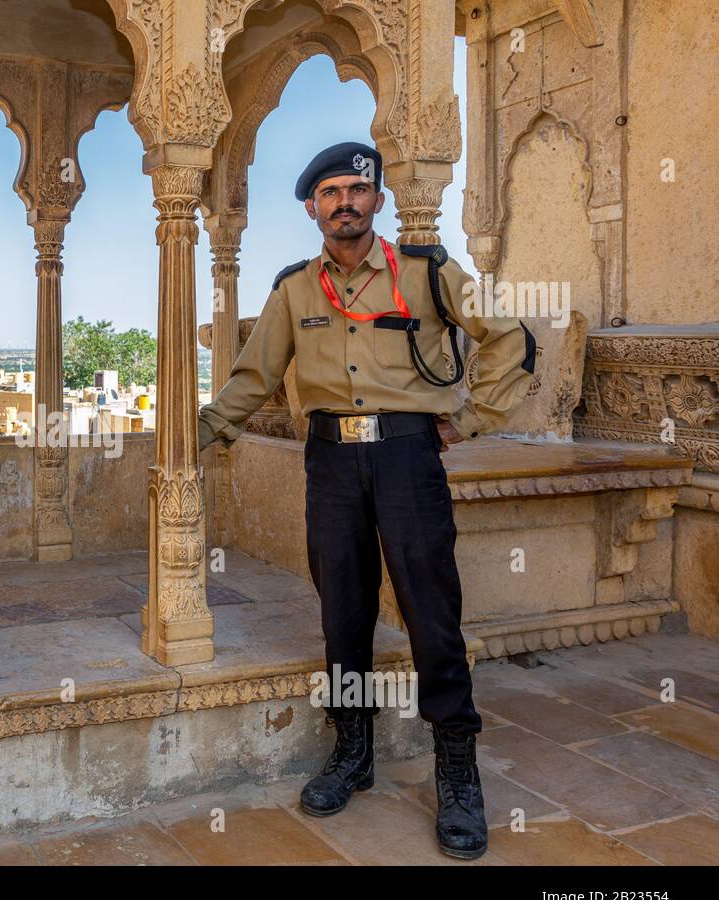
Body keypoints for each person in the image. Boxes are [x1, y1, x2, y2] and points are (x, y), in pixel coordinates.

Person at [197, 142, 535, 859]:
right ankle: (353, 752)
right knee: (343, 613)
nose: (345, 201)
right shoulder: (294, 290)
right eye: (331, 192)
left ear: (378, 201)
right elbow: (252, 376)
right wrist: (199, 437)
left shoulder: (427, 271)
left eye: (358, 189)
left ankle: (458, 773)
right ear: (313, 208)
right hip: (331, 461)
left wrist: (466, 421)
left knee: (430, 611)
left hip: (408, 455)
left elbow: (508, 339)